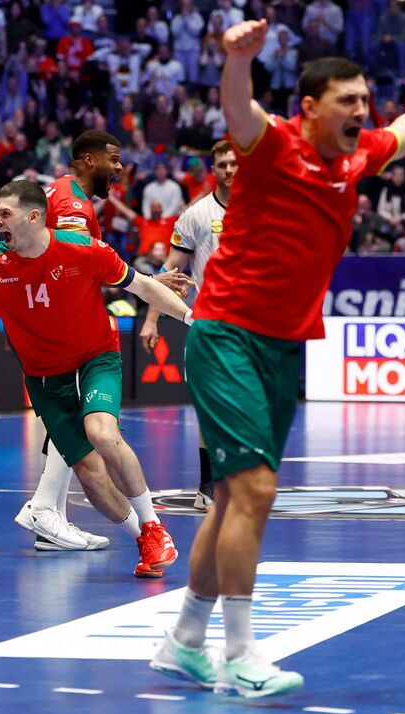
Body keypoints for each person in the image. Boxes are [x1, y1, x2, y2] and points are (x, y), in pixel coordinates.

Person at [150, 19, 405, 698]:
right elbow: (238, 110)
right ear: (310, 109)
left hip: (282, 346)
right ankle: (240, 656)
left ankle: (184, 641)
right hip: (225, 332)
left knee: (232, 497)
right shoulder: (270, 146)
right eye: (347, 101)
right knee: (256, 491)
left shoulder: (354, 157)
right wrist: (237, 60)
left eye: (364, 99)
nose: (361, 111)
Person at [0, 180, 194, 578]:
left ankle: (153, 524)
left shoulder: (82, 249)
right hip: (45, 377)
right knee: (89, 475)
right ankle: (147, 539)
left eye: (4, 214)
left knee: (101, 432)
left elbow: (144, 286)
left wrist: (192, 320)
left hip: (95, 358)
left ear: (34, 217)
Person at [138, 140, 237, 513]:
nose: (230, 170)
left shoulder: (261, 210)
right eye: (223, 164)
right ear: (213, 170)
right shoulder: (197, 215)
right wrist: (151, 319)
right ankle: (208, 486)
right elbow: (168, 275)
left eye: (234, 164)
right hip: (209, 323)